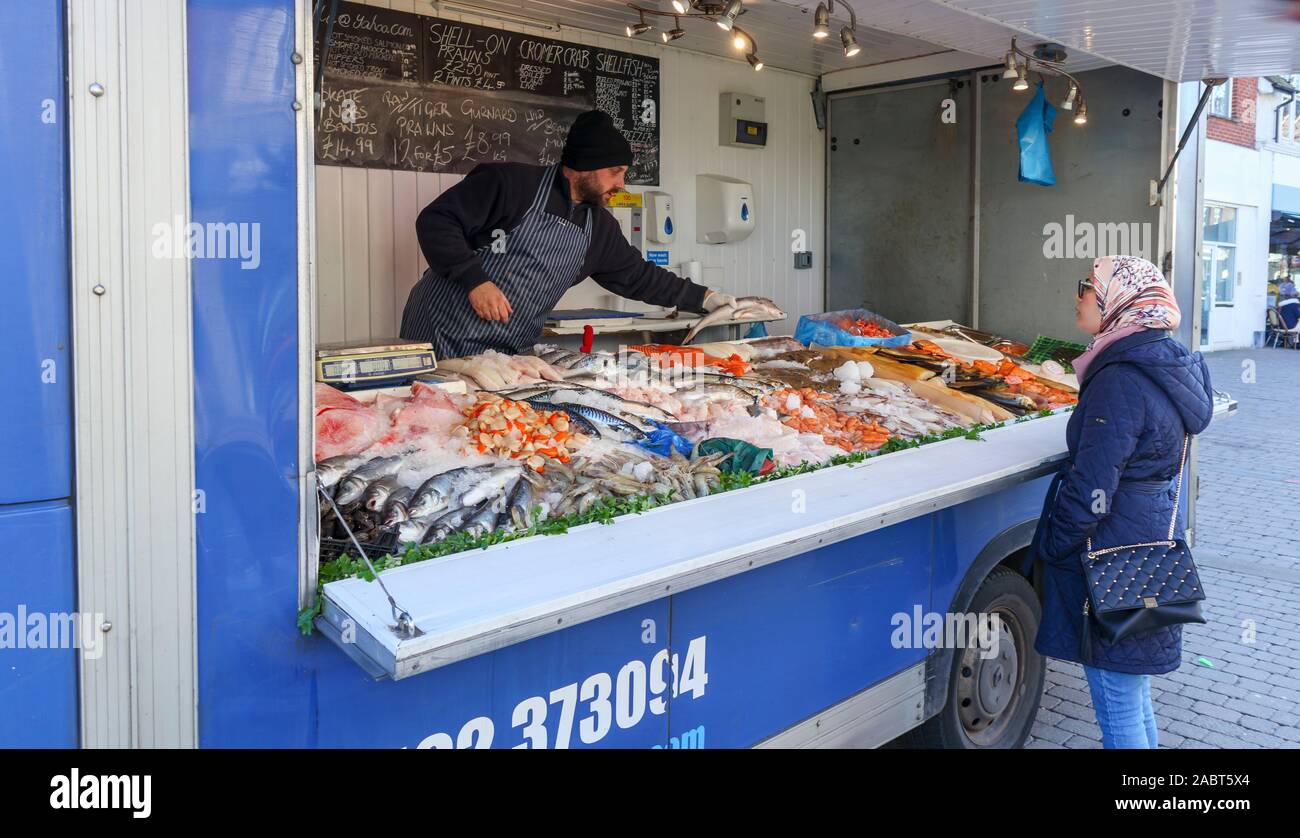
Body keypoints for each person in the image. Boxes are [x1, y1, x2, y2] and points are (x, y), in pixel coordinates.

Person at [1027, 255, 1214, 748]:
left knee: (1118, 700)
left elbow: (1093, 488)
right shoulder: (1164, 361)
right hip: (1147, 541)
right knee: (1130, 693)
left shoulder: (1119, 378)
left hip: (1111, 553)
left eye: (1089, 286)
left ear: (1119, 301)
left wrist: (1053, 547)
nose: (1079, 295)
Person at [399, 110, 734, 358]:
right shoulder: (509, 184)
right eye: (615, 172)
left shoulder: (599, 228)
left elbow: (639, 277)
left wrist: (705, 298)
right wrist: (475, 281)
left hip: (507, 350)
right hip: (442, 331)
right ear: (582, 168)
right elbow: (437, 221)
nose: (621, 184)